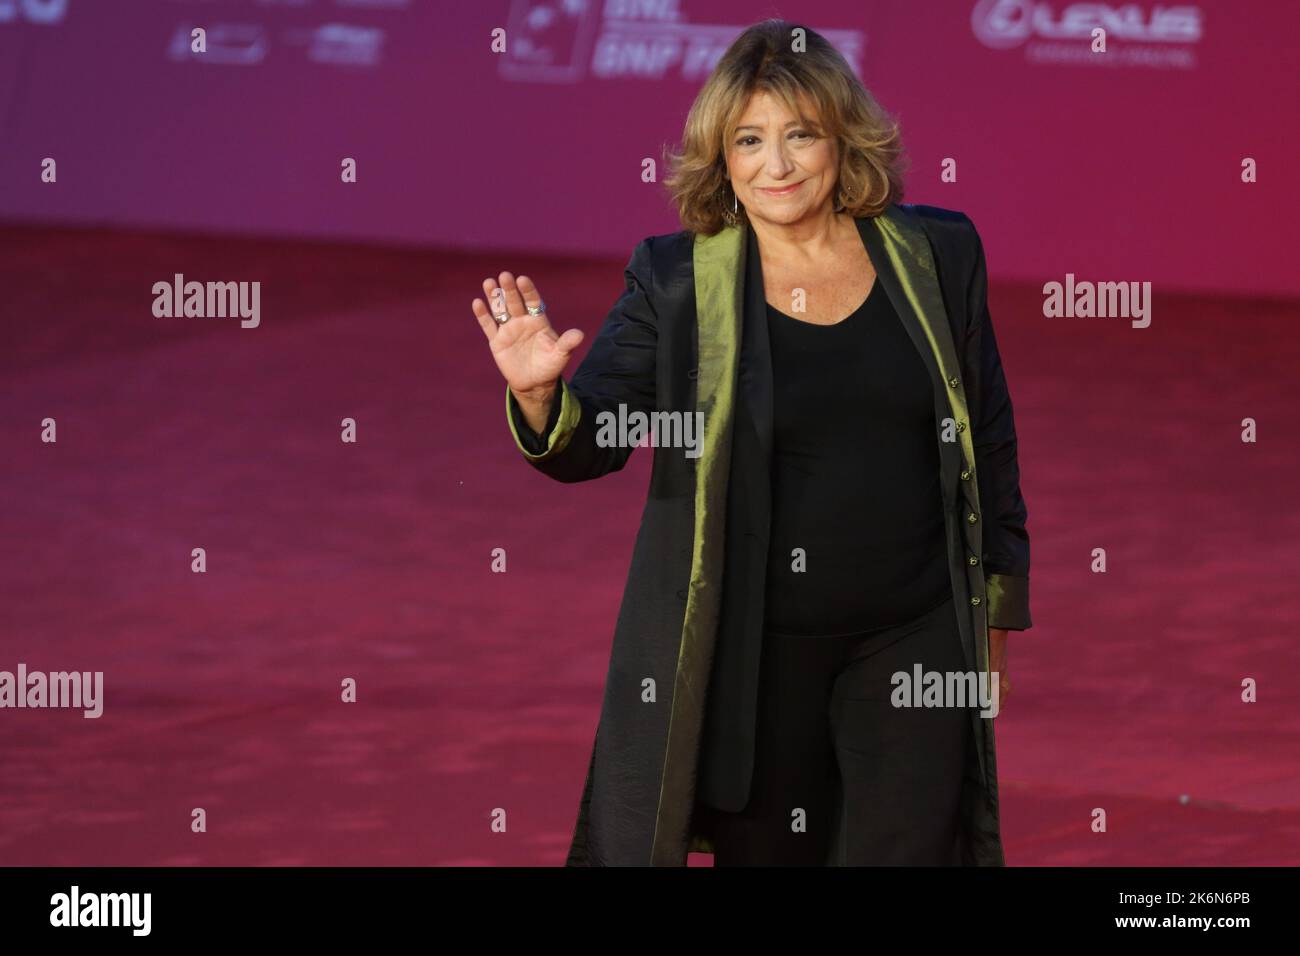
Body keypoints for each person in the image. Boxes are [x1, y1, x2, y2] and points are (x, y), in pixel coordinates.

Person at [471, 19, 1032, 866]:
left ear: (844, 138)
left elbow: (987, 436)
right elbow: (596, 440)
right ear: (721, 158)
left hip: (914, 630)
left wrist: (993, 618)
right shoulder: (676, 279)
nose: (777, 165)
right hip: (757, 648)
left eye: (800, 135)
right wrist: (541, 395)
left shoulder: (936, 252)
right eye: (750, 140)